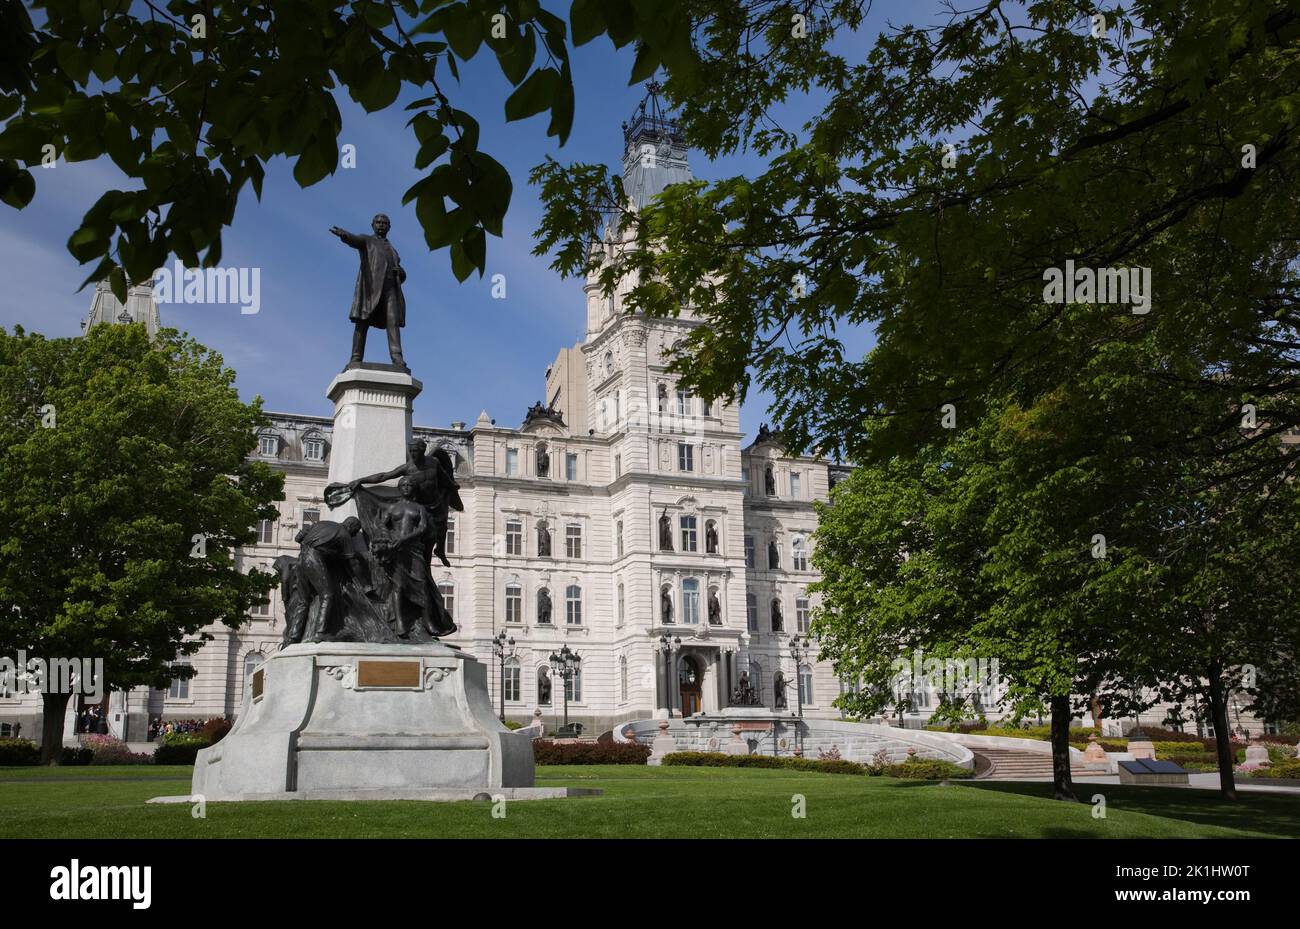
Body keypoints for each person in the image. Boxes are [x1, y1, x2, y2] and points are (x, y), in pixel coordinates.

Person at [331, 213, 409, 371]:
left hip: (391, 290)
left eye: (384, 223)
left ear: (389, 227)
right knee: (362, 323)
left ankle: (397, 359)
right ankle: (356, 357)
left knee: (392, 323)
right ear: (372, 225)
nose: (381, 225)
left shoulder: (393, 250)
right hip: (370, 289)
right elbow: (354, 240)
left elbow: (402, 271)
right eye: (378, 222)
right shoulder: (367, 240)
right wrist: (345, 235)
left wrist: (400, 272)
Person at [286, 516, 365, 643]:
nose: (354, 536)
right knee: (327, 595)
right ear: (351, 526)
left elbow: (298, 538)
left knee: (303, 601)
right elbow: (353, 562)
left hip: (301, 560)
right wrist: (365, 584)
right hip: (313, 559)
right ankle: (321, 632)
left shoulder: (322, 523)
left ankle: (293, 637)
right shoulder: (344, 535)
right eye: (355, 532)